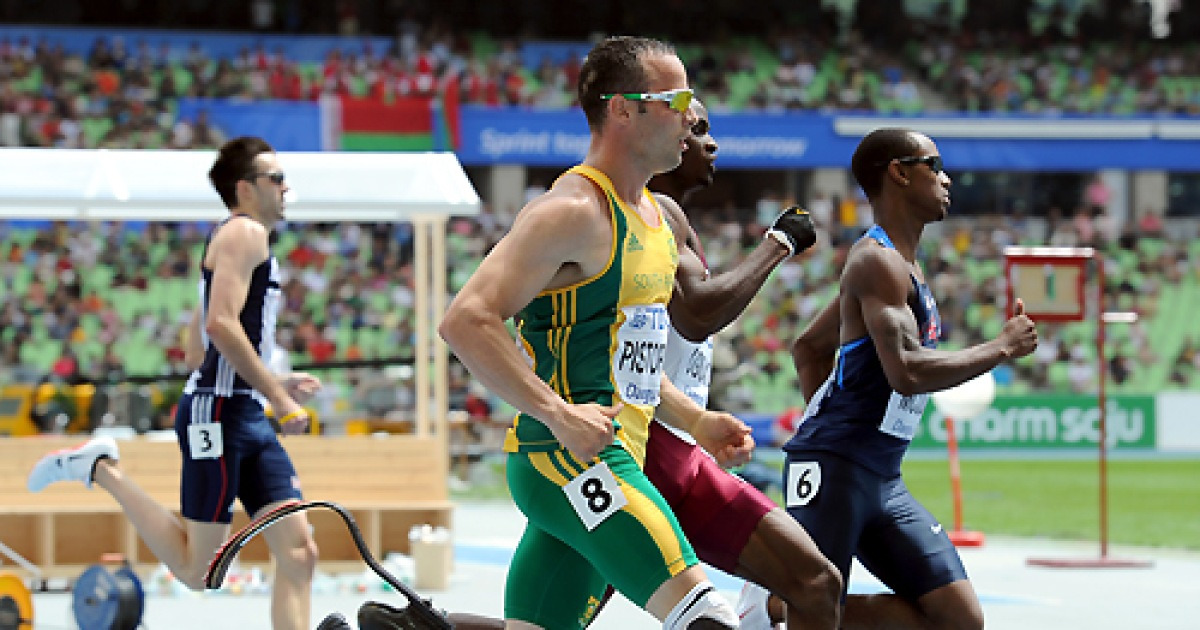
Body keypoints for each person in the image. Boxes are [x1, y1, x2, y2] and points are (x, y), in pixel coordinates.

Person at [438, 36, 742, 629]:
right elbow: (466, 319)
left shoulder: (656, 219)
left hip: (611, 450)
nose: (691, 115)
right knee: (710, 620)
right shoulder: (572, 211)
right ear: (622, 109)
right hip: (569, 458)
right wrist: (557, 412)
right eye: (675, 99)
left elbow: (626, 361)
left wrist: (695, 420)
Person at [27, 136, 321, 630]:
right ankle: (100, 469)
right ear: (245, 189)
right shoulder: (244, 233)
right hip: (220, 415)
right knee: (199, 572)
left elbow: (197, 347)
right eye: (276, 178)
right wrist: (278, 396)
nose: (286, 187)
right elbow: (220, 327)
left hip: (244, 409)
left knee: (299, 552)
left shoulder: (237, 243)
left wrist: (276, 381)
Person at [764, 127, 1038, 629]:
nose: (947, 179)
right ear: (899, 172)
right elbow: (907, 371)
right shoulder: (876, 262)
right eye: (935, 165)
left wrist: (830, 422)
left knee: (958, 620)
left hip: (882, 477)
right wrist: (1001, 347)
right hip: (836, 470)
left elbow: (809, 347)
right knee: (818, 608)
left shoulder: (901, 266)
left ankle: (779, 605)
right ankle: (785, 605)